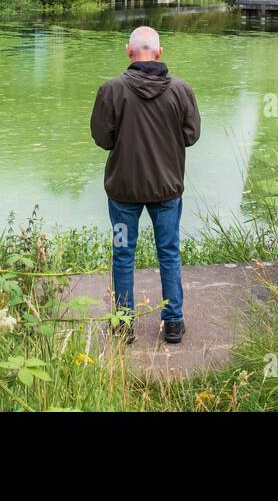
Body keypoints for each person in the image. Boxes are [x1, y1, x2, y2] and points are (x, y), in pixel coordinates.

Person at [89, 25, 201, 343]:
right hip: (166, 190)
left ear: (129, 51)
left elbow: (102, 138)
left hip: (123, 192)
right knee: (169, 253)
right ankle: (174, 322)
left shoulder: (111, 90)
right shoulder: (181, 90)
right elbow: (191, 136)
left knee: (123, 254)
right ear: (160, 53)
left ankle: (124, 324)